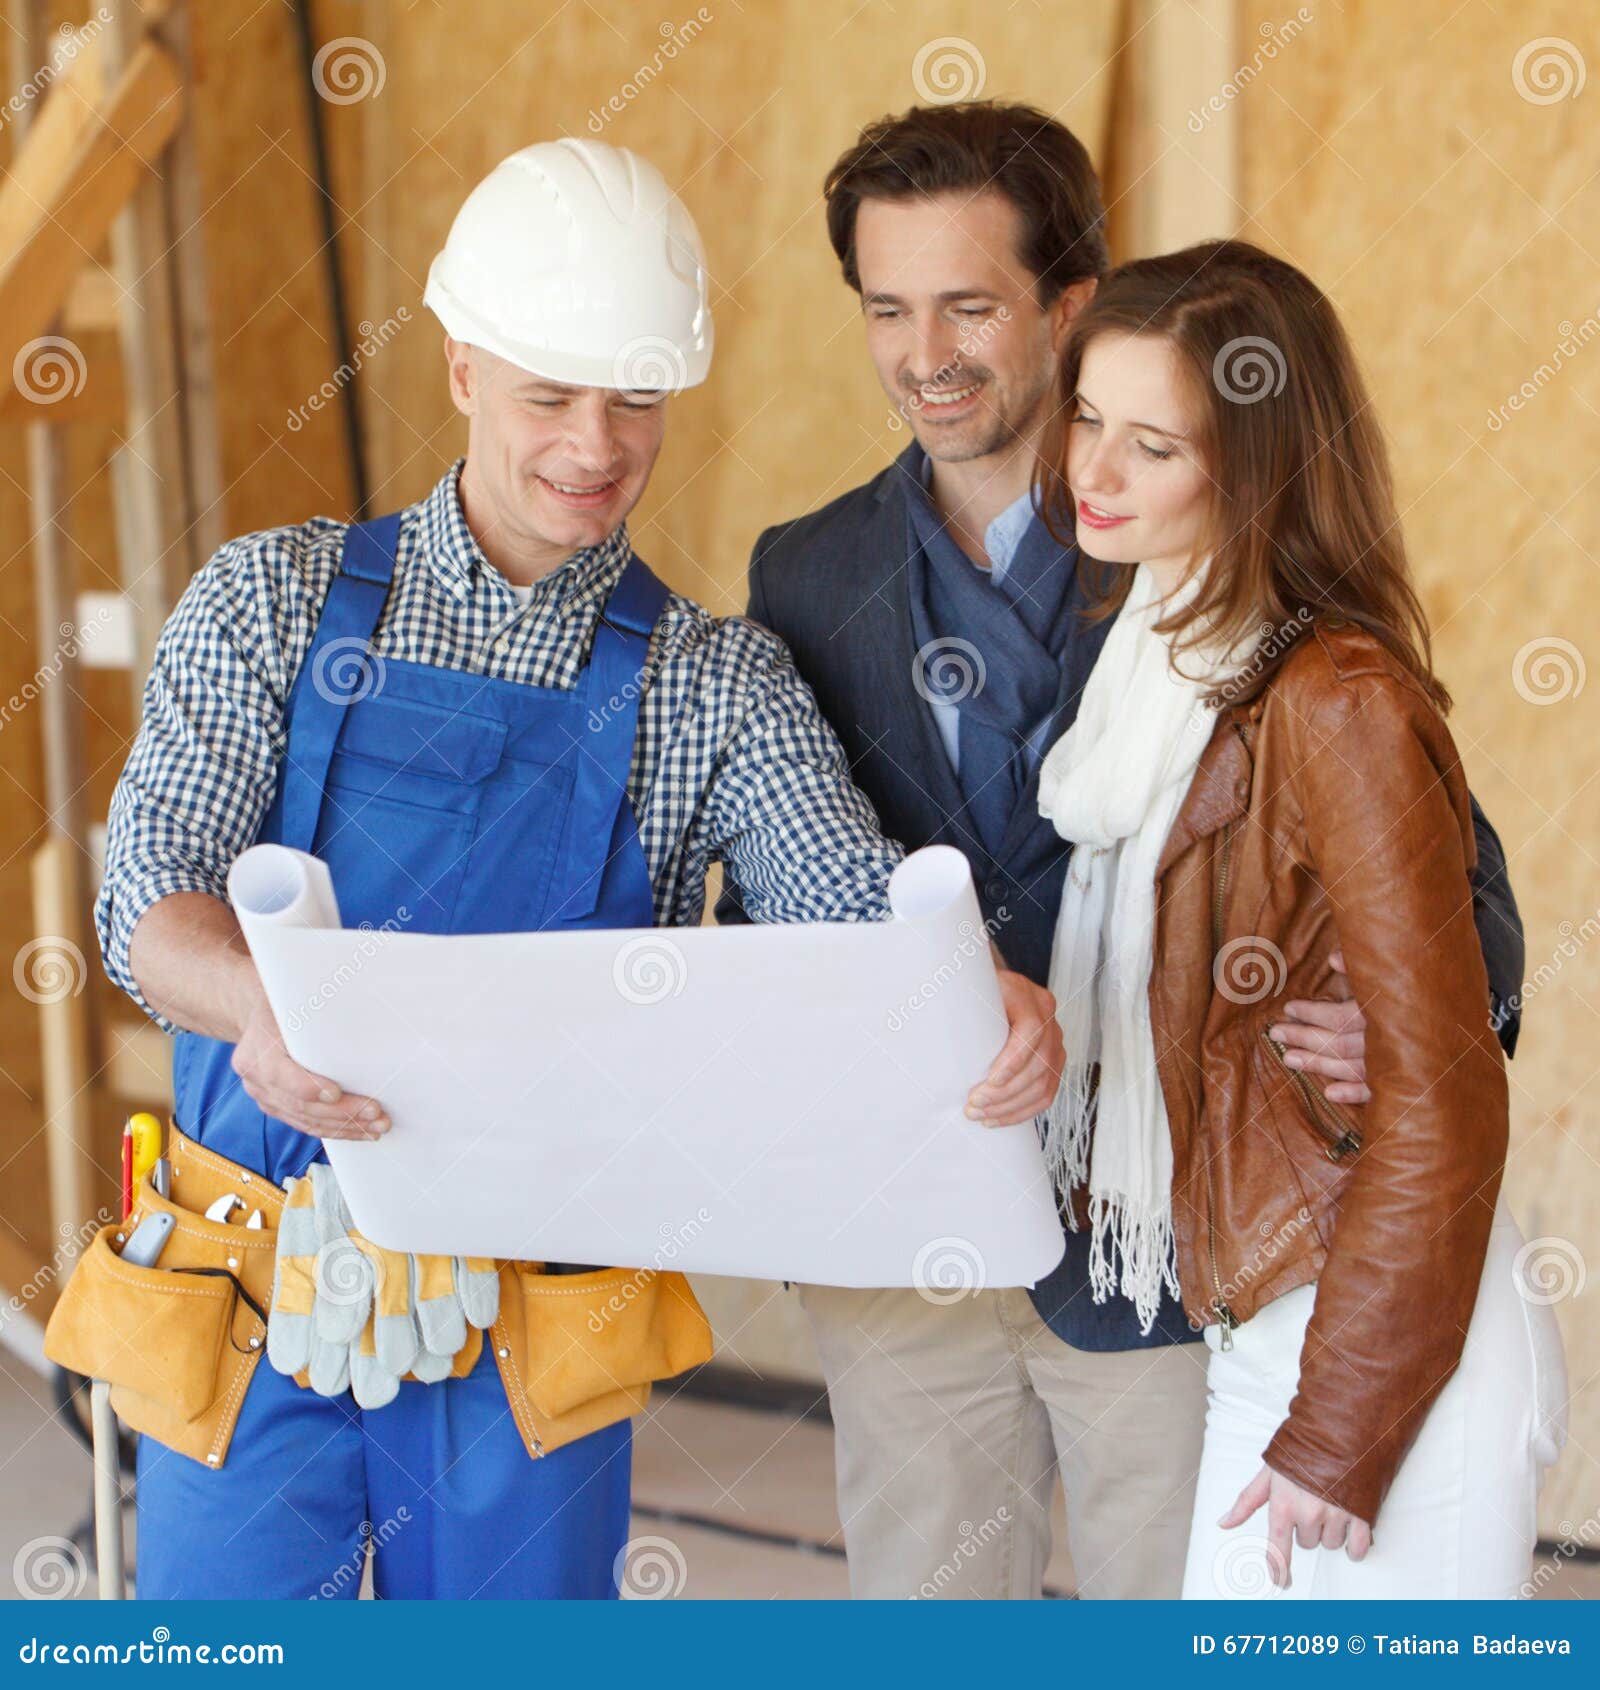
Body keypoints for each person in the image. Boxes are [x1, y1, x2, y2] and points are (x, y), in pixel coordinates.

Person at [75, 137, 1063, 1600]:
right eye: (550, 394)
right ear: (463, 367)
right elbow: (144, 891)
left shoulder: (714, 686)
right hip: (253, 1293)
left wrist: (968, 995)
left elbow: (845, 908)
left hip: (530, 1333)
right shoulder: (271, 602)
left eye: (637, 400)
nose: (596, 446)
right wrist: (250, 1004)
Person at [719, 101, 1527, 1599]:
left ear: (1070, 302)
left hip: (1157, 1248)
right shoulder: (805, 571)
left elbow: (1451, 877)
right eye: (887, 308)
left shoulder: (1210, 553)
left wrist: (1420, 1018)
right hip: (912, 1237)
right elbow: (776, 890)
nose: (926, 353)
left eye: (969, 303)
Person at [1033, 237, 1567, 1599]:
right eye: (1089, 416)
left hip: (1377, 1336)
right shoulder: (1153, 657)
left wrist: (1343, 1427)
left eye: (1151, 445)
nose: (1092, 470)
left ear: (1257, 466)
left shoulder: (1336, 699)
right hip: (1264, 1312)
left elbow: (1447, 1096)